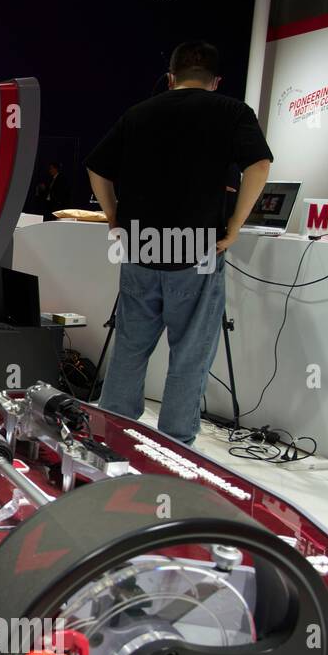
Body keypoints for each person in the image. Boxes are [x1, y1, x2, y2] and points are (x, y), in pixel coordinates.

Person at [85, 39, 273, 446]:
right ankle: (174, 445)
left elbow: (97, 168)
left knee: (131, 347)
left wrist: (114, 217)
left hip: (142, 246)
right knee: (189, 353)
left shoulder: (139, 113)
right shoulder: (231, 112)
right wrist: (236, 226)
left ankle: (113, 433)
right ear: (215, 81)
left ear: (171, 77)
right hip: (198, 250)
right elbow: (259, 164)